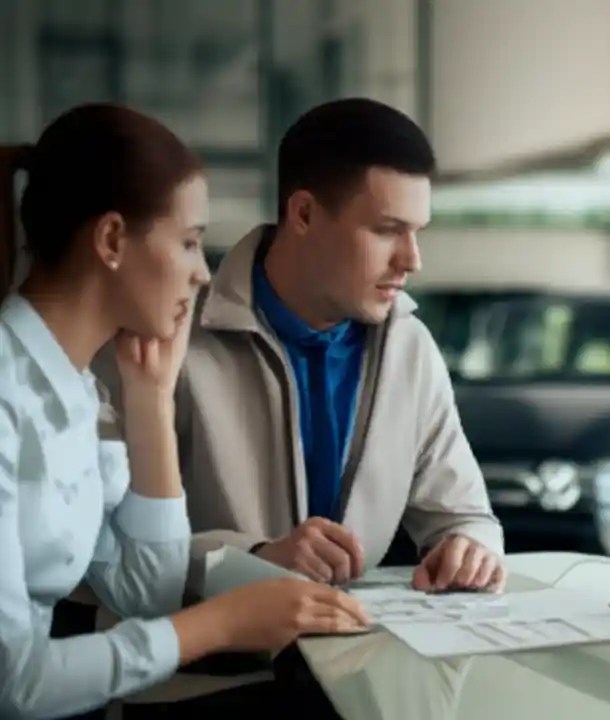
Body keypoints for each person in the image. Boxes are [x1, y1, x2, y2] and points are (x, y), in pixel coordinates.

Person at [0, 105, 369, 720]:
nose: (202, 273)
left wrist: (150, 406)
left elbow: (147, 590)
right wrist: (219, 625)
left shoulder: (76, 388)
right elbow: (14, 680)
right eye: (190, 242)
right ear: (112, 239)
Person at [96, 97, 505, 596]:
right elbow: (104, 550)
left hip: (350, 659)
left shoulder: (409, 347)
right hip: (211, 666)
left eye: (417, 233)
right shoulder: (165, 335)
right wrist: (255, 561)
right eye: (387, 230)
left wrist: (470, 545)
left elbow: (463, 515)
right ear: (304, 213)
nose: (412, 259)